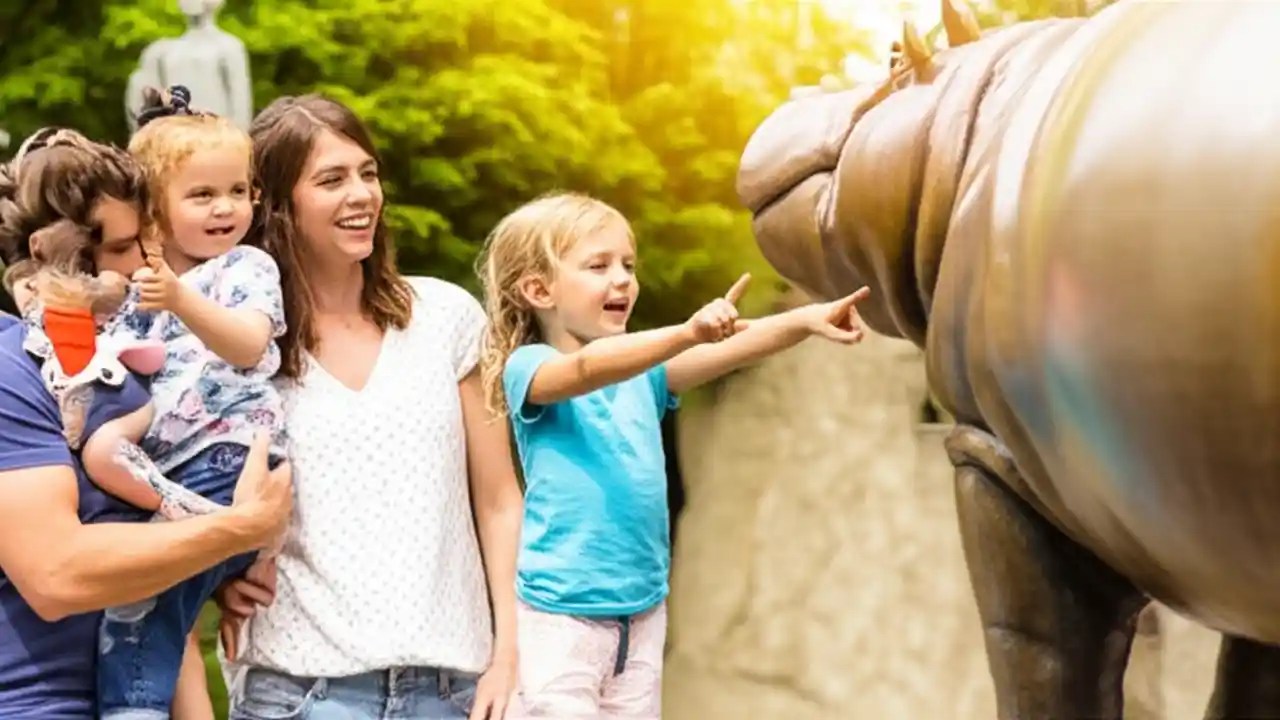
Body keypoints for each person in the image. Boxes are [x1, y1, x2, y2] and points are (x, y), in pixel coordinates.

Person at [474, 191, 870, 719]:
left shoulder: (646, 375)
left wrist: (806, 320)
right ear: (539, 290)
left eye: (628, 265)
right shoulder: (530, 367)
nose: (623, 279)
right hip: (561, 618)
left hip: (641, 613)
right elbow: (588, 369)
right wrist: (687, 332)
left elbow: (729, 347)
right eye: (598, 266)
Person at [215, 94, 524, 720]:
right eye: (331, 180)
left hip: (451, 692)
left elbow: (498, 501)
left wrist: (510, 655)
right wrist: (218, 574)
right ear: (276, 205)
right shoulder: (241, 347)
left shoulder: (446, 317)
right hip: (298, 693)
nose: (361, 195)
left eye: (368, 173)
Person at [0, 128, 291, 719]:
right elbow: (56, 575)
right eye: (120, 247)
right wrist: (237, 528)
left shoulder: (118, 362)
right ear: (46, 250)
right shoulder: (14, 370)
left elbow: (154, 591)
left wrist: (212, 562)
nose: (139, 264)